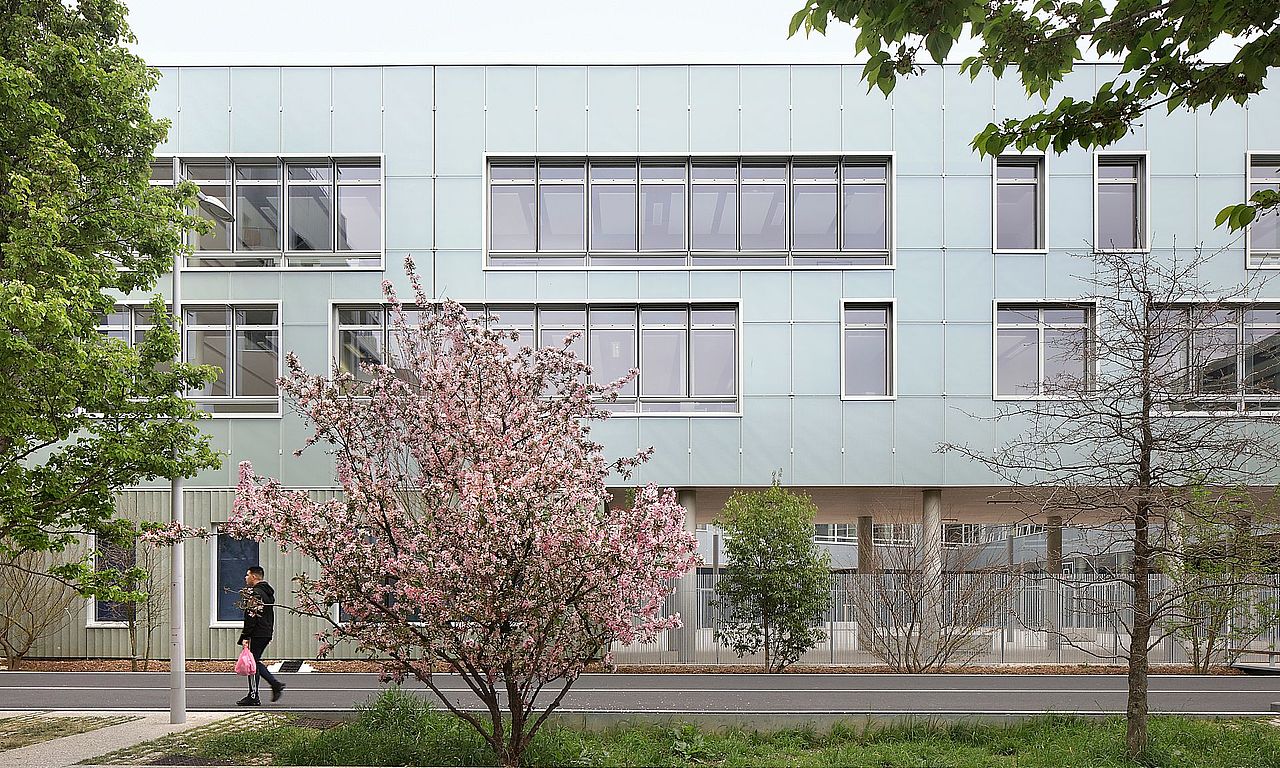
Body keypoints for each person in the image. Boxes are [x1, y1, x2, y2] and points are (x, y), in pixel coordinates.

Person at [236, 565, 285, 705]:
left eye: (247, 575)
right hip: (265, 631)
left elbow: (251, 617)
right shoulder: (267, 593)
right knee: (255, 661)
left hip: (256, 633)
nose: (245, 578)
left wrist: (246, 636)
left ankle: (255, 695)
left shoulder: (255, 594)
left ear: (254, 576)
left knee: (252, 663)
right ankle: (272, 685)